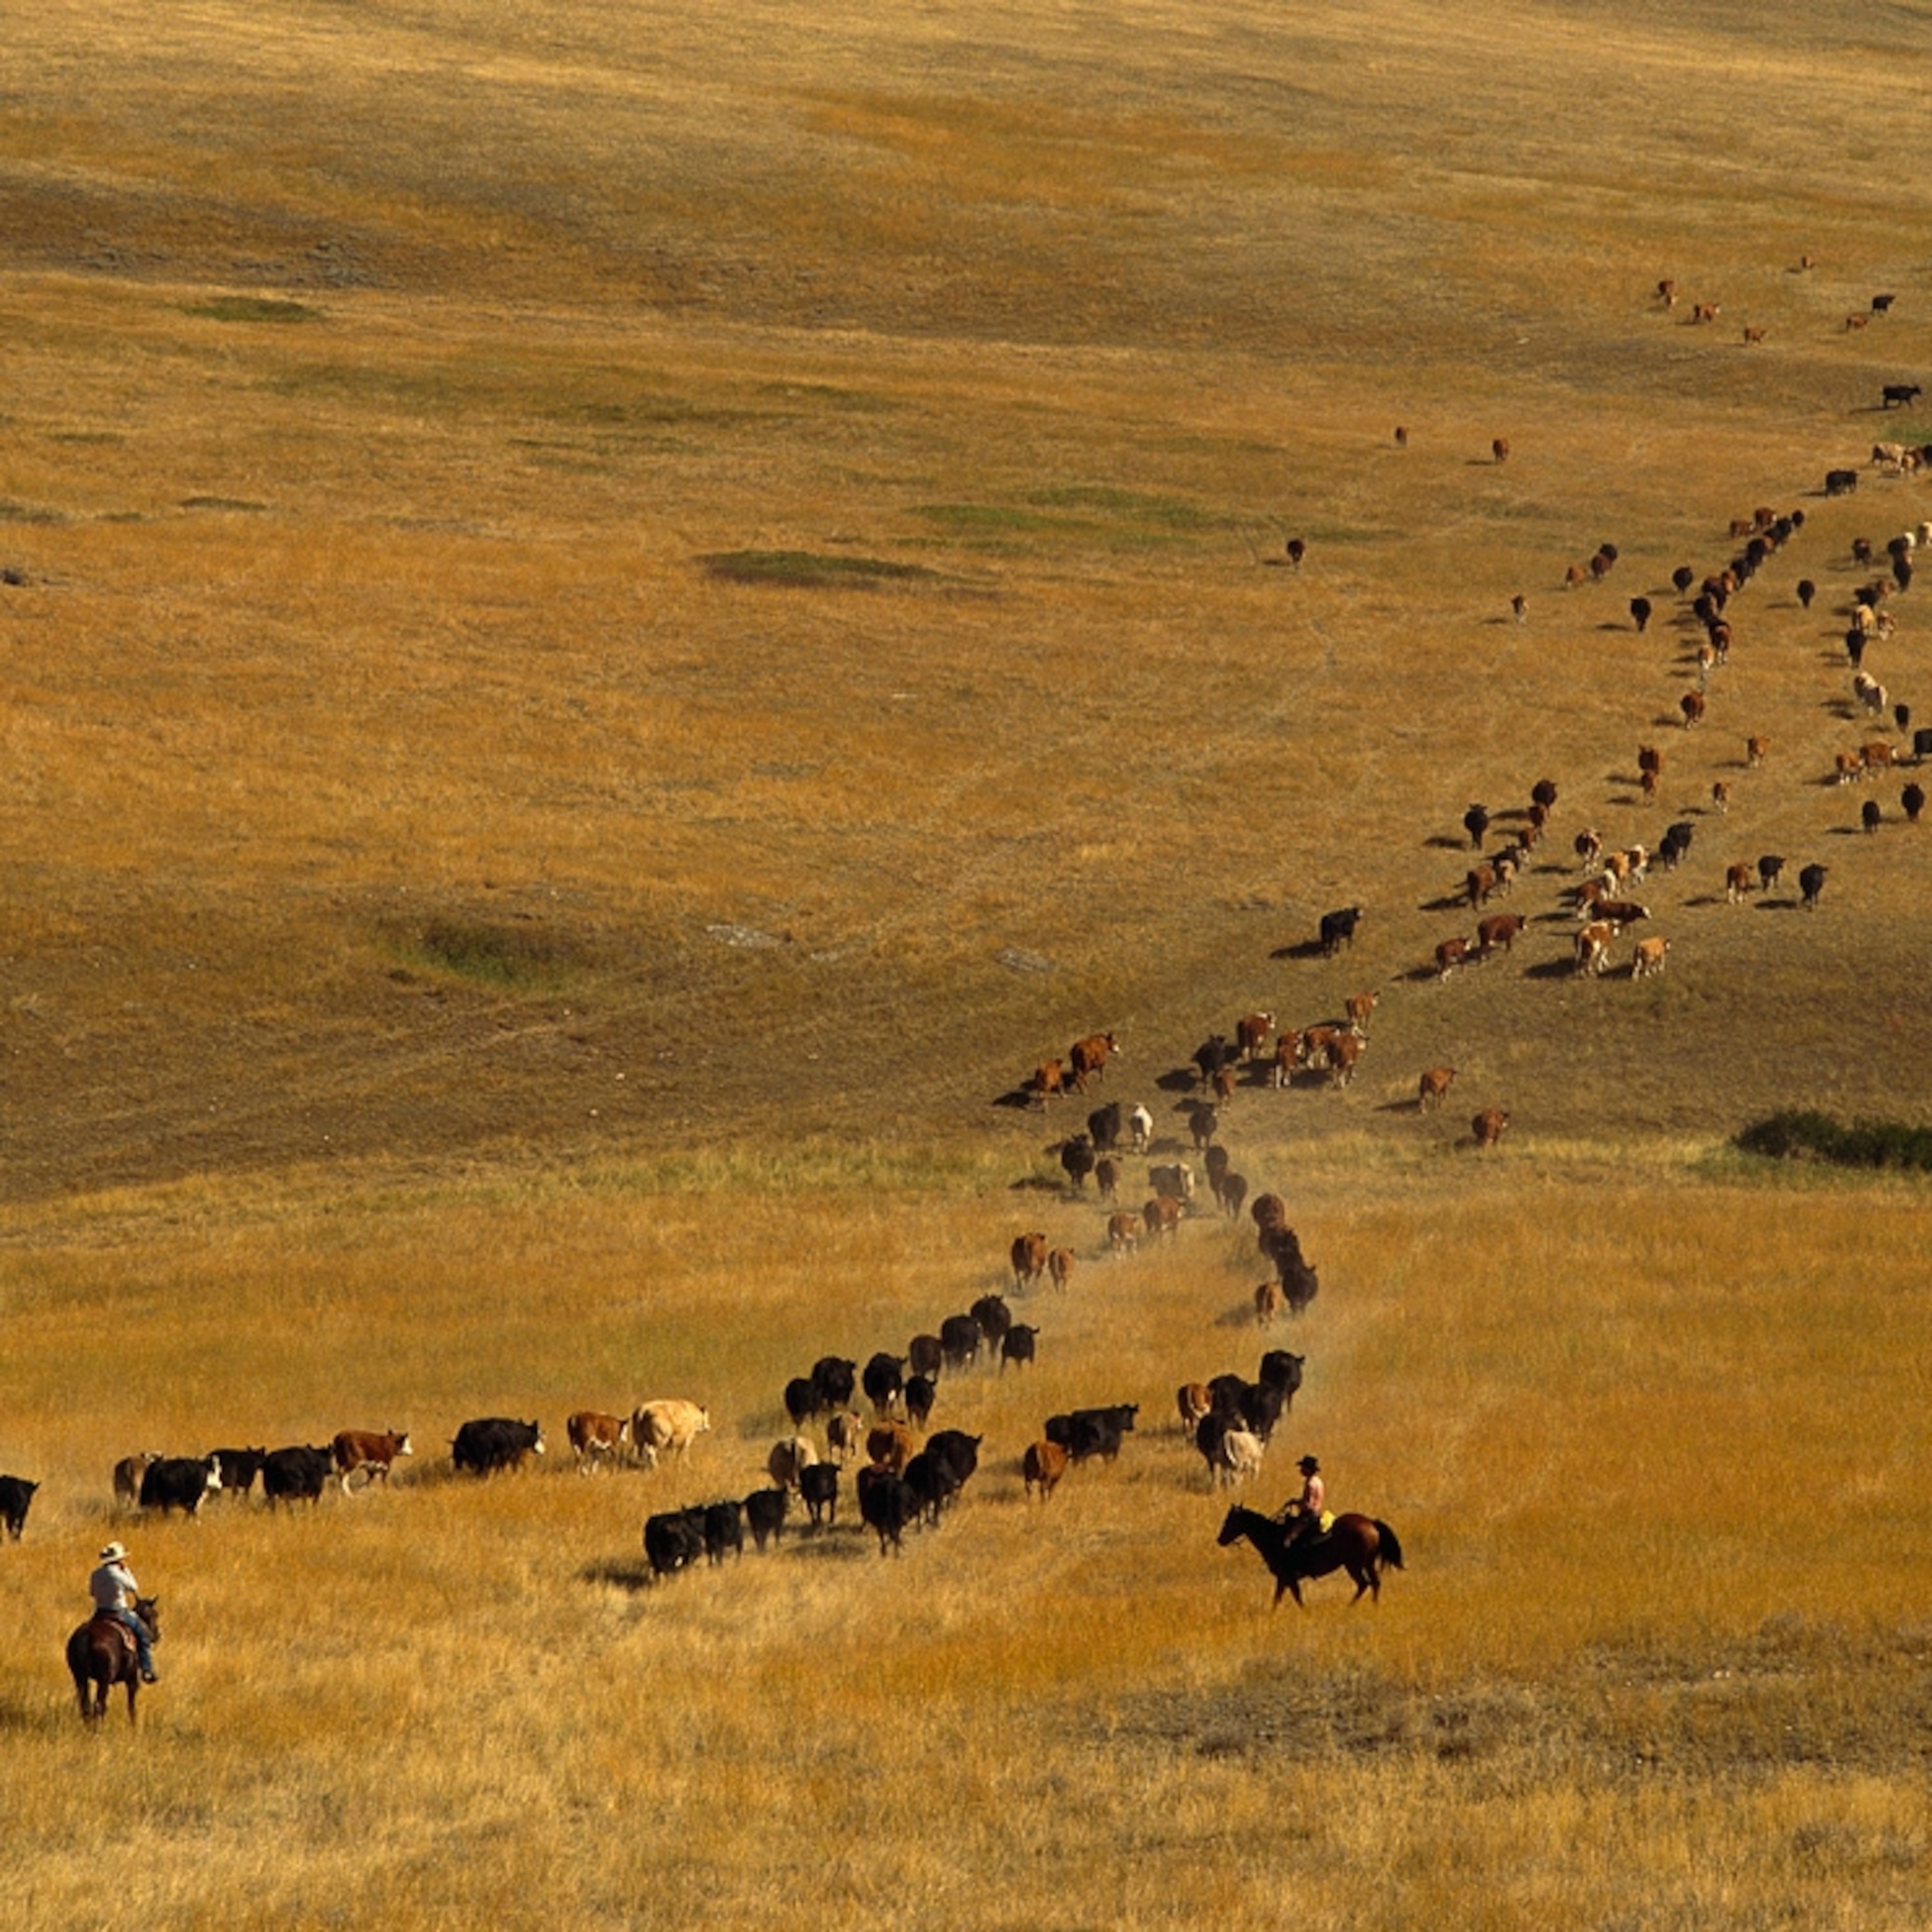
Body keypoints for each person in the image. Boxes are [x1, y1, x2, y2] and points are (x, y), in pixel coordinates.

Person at [89, 1541, 158, 1682]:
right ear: (119, 1560)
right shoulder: (118, 1575)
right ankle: (147, 1669)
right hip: (119, 1612)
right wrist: (126, 1570)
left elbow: (92, 1593)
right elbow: (134, 1587)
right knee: (144, 1636)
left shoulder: (96, 1574)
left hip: (99, 1612)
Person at [1279, 1455, 1333, 1543]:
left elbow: (1308, 1505)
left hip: (1308, 1517)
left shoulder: (1310, 1484)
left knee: (1288, 1539)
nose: (1301, 1470)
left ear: (1309, 1469)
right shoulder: (1319, 1481)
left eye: (1303, 1467)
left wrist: (1294, 1502)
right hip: (1317, 1514)